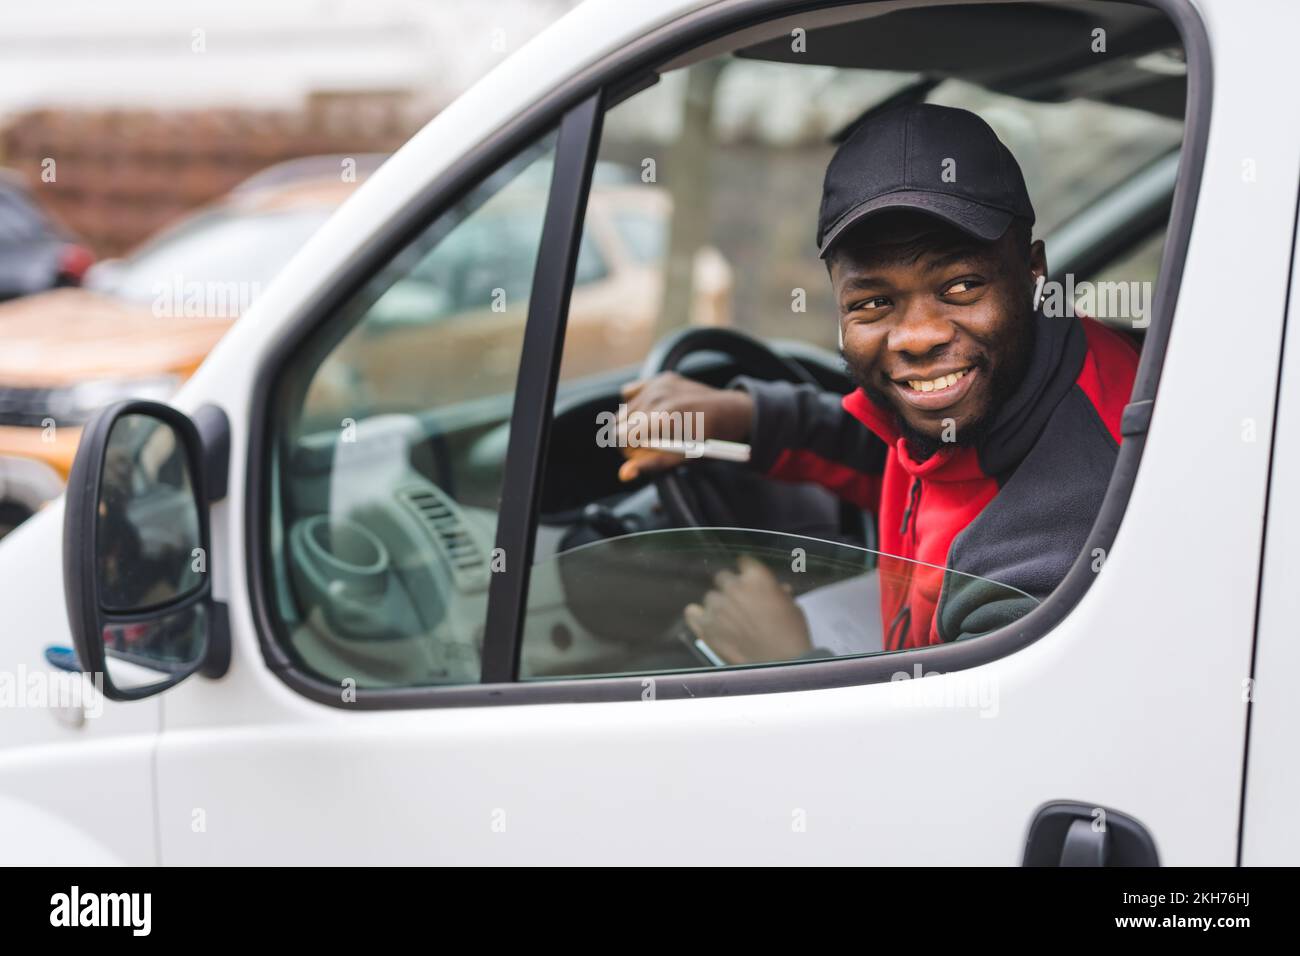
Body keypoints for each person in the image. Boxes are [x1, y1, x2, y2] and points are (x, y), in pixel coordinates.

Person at [618, 104, 1140, 663]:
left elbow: (959, 750)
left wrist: (787, 661)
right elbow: (900, 456)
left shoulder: (1050, 554)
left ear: (1033, 270)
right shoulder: (1029, 374)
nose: (916, 337)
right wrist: (745, 415)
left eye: (961, 286)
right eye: (873, 302)